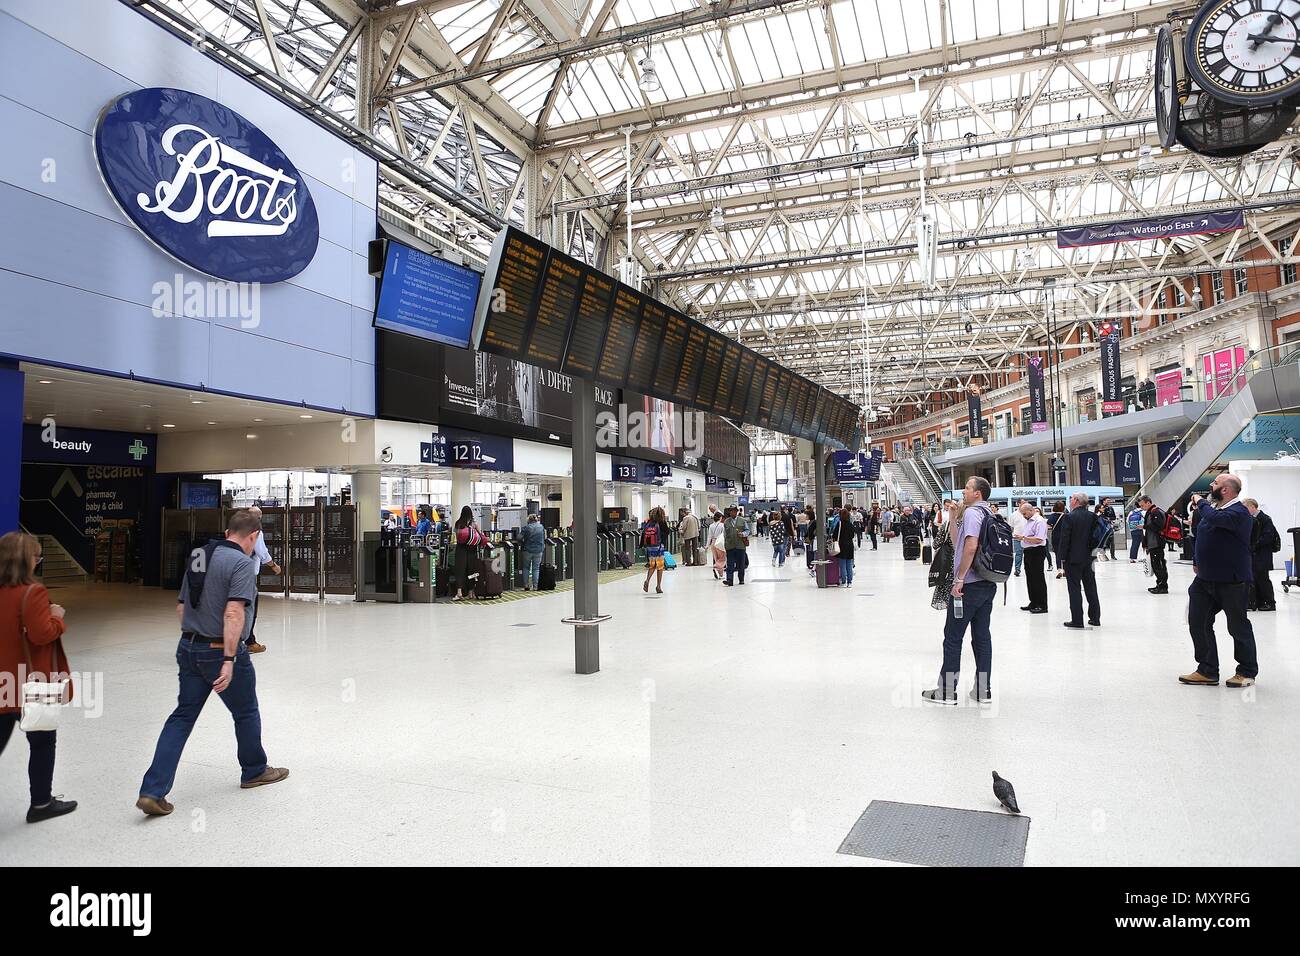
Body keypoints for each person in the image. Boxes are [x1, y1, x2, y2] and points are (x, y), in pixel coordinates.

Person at [137, 510, 288, 815]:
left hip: (189, 646)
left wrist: (194, 641)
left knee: (181, 717)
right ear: (253, 536)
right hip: (220, 649)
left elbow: (182, 607)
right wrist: (229, 659)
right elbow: (234, 614)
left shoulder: (199, 555)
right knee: (245, 711)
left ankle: (153, 790)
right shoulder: (242, 563)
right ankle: (255, 769)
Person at [0, 531, 76, 823]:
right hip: (30, 682)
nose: (38, 562)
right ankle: (41, 804)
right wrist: (56, 615)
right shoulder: (33, 593)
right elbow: (42, 633)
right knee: (43, 741)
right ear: (23, 560)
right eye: (36, 556)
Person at [922, 477, 998, 705]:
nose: (963, 491)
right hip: (987, 584)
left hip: (969, 587)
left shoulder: (974, 513)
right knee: (982, 638)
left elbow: (971, 546)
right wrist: (954, 517)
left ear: (978, 493)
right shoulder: (989, 514)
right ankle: (983, 690)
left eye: (967, 487)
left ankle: (946, 691)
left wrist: (960, 579)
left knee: (953, 638)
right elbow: (959, 544)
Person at [1180, 474, 1258, 688]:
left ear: (1225, 490)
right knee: (1198, 622)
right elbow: (1202, 534)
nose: (1211, 486)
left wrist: (1200, 502)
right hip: (1204, 580)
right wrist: (1196, 559)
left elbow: (1216, 521)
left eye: (1214, 483)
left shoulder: (1239, 512)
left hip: (1232, 581)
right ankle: (1207, 670)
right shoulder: (1215, 511)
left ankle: (1247, 671)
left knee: (1237, 626)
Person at [1057, 492, 1101, 629]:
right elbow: (1096, 537)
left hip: (1073, 559)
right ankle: (1095, 618)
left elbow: (1065, 539)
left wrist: (1061, 558)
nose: (1070, 501)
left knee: (1074, 589)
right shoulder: (1092, 516)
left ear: (1076, 500)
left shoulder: (1069, 517)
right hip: (1089, 558)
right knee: (1091, 587)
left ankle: (1077, 620)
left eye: (1071, 499)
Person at [243, 505, 281, 654]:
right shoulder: (256, 531)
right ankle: (249, 642)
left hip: (234, 573)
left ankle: (232, 641)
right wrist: (274, 566)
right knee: (250, 609)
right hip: (248, 575)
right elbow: (262, 552)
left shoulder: (236, 530)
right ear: (259, 518)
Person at [1243, 498, 1280, 612]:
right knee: (1254, 579)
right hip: (1254, 555)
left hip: (1262, 555)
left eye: (1245, 508)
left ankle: (1270, 603)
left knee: (1263, 579)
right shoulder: (1252, 519)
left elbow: (1268, 537)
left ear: (1252, 507)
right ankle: (1257, 602)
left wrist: (1254, 545)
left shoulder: (1265, 519)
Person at [1016, 503, 1049, 614]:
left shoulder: (1039, 521)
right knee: (1030, 578)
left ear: (1031, 510)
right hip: (1028, 551)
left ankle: (1042, 605)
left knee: (1038, 578)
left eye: (1025, 513)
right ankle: (1033, 602)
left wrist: (1023, 538)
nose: (1024, 516)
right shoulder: (1029, 521)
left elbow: (1039, 539)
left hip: (1037, 551)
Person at [1138, 495, 1169, 594]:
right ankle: (1159, 584)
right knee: (1156, 565)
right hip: (1153, 543)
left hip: (1156, 543)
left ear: (1148, 503)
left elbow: (1158, 526)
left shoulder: (1155, 512)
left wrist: (1144, 526)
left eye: (1142, 505)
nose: (1142, 508)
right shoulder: (1152, 511)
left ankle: (1163, 587)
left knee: (1159, 565)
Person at [451, 506, 483, 602]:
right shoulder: (474, 523)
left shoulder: (458, 523)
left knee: (460, 571)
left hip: (461, 549)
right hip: (472, 549)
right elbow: (480, 534)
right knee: (471, 571)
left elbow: (456, 535)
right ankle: (470, 592)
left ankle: (459, 592)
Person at [640, 507, 670, 594]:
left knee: (652, 565)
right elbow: (667, 532)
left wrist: (641, 545)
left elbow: (643, 534)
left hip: (650, 548)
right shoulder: (662, 522)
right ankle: (658, 586)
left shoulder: (649, 522)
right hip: (659, 547)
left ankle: (647, 580)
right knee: (660, 567)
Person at [723, 506, 749, 586]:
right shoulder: (726, 522)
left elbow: (747, 530)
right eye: (731, 511)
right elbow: (724, 534)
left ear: (737, 512)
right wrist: (725, 543)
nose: (732, 513)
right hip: (730, 546)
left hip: (740, 546)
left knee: (740, 564)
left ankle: (741, 579)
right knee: (730, 564)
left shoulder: (742, 520)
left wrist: (743, 534)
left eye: (734, 511)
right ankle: (729, 580)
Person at [519, 513, 546, 590]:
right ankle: (535, 586)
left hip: (527, 550)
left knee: (526, 568)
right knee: (536, 568)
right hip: (538, 550)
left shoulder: (526, 528)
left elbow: (519, 538)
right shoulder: (541, 527)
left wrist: (523, 541)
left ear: (529, 520)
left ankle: (526, 585)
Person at [836, 506, 856, 587]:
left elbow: (835, 535)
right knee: (849, 564)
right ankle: (850, 582)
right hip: (849, 545)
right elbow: (852, 535)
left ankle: (843, 582)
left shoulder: (839, 524)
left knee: (842, 565)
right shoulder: (850, 524)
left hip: (841, 545)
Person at [1047, 501, 1067, 579]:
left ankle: (1059, 570)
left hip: (1055, 537)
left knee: (1057, 553)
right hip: (1065, 536)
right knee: (1065, 553)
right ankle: (1065, 570)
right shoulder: (1066, 516)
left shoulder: (1052, 516)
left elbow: (1048, 525)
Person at [1009, 498, 1028, 577]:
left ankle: (1028, 569)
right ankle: (1017, 570)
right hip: (1017, 538)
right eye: (1023, 503)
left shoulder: (1028, 514)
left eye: (1025, 503)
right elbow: (1011, 527)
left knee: (1028, 555)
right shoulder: (1013, 515)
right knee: (1018, 554)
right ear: (1018, 504)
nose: (1025, 504)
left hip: (1027, 538)